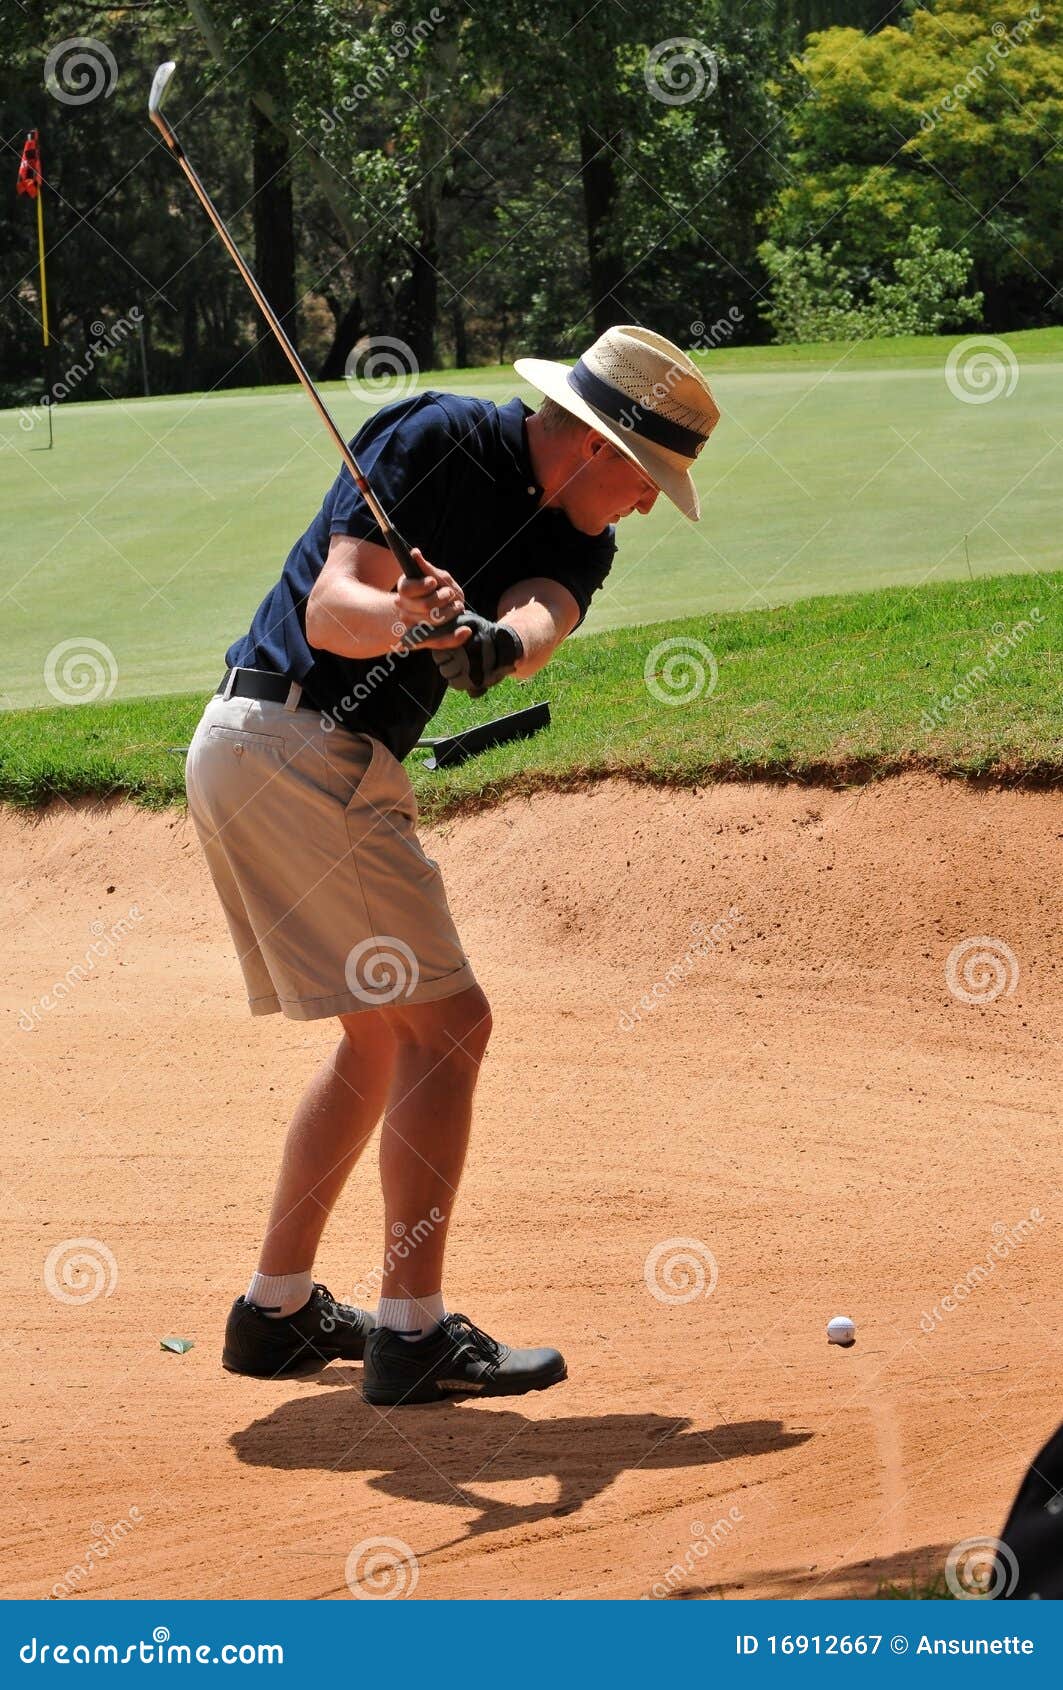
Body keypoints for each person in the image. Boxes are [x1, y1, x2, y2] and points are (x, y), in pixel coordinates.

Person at [184, 324, 720, 1405]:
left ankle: (275, 1310)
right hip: (296, 745)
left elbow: (542, 616)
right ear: (597, 448)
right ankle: (413, 1331)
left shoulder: (582, 536)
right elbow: (334, 614)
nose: (652, 502)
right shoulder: (434, 438)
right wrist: (406, 620)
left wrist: (483, 641)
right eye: (649, 476)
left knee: (384, 1034)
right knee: (450, 1025)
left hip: (269, 753)